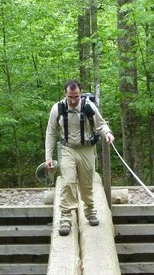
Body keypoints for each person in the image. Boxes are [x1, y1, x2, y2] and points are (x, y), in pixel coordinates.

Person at [45, 80, 115, 236]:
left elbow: (101, 125)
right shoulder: (58, 108)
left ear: (80, 93)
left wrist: (108, 133)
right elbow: (50, 132)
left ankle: (90, 210)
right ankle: (65, 217)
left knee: (86, 183)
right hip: (67, 148)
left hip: (87, 149)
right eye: (70, 97)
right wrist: (48, 157)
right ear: (65, 94)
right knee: (68, 181)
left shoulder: (88, 106)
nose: (73, 100)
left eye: (76, 96)